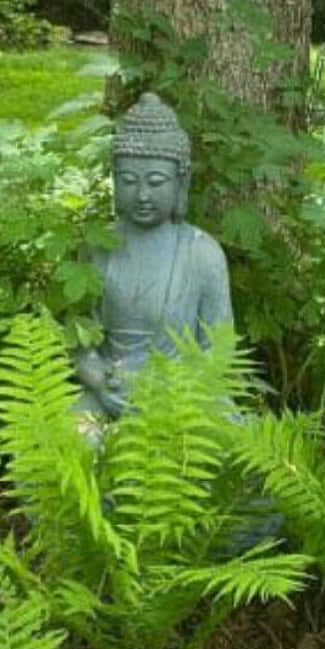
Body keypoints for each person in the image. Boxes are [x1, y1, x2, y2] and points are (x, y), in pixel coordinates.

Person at [73, 92, 233, 441]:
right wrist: (100, 380)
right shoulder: (98, 247)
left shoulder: (203, 254)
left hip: (183, 392)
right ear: (115, 182)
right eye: (130, 182)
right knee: (70, 442)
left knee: (233, 450)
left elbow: (220, 349)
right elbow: (78, 340)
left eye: (156, 182)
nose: (143, 194)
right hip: (110, 393)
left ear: (181, 183)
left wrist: (169, 388)